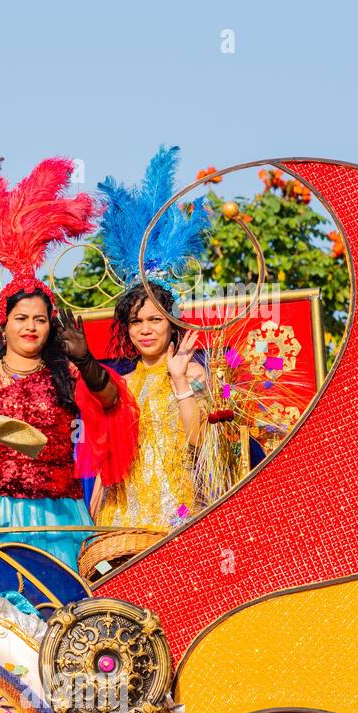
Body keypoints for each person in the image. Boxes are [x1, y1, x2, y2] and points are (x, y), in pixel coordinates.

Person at [0, 154, 139, 569]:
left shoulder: (65, 374)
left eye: (40, 319)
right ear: (4, 323)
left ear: (51, 325)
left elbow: (111, 403)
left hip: (63, 518)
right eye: (21, 319)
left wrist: (86, 363)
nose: (31, 327)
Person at [84, 146, 213, 570]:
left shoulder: (192, 373)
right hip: (121, 523)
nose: (145, 329)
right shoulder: (122, 384)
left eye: (155, 320)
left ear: (171, 323)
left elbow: (199, 443)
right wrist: (94, 517)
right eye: (136, 321)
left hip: (175, 518)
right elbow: (106, 456)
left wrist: (179, 383)